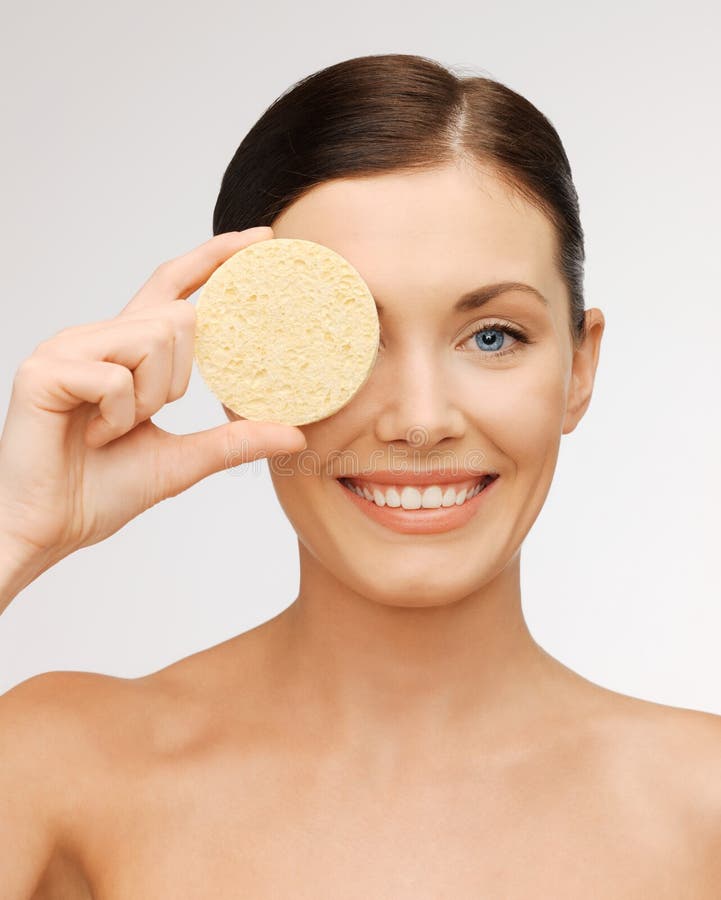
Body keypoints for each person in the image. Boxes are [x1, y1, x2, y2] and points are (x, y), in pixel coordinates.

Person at [1, 52, 719, 898]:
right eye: (341, 335)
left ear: (578, 368)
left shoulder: (699, 805)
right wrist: (14, 535)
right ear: (240, 362)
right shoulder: (58, 768)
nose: (420, 418)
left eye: (492, 336)